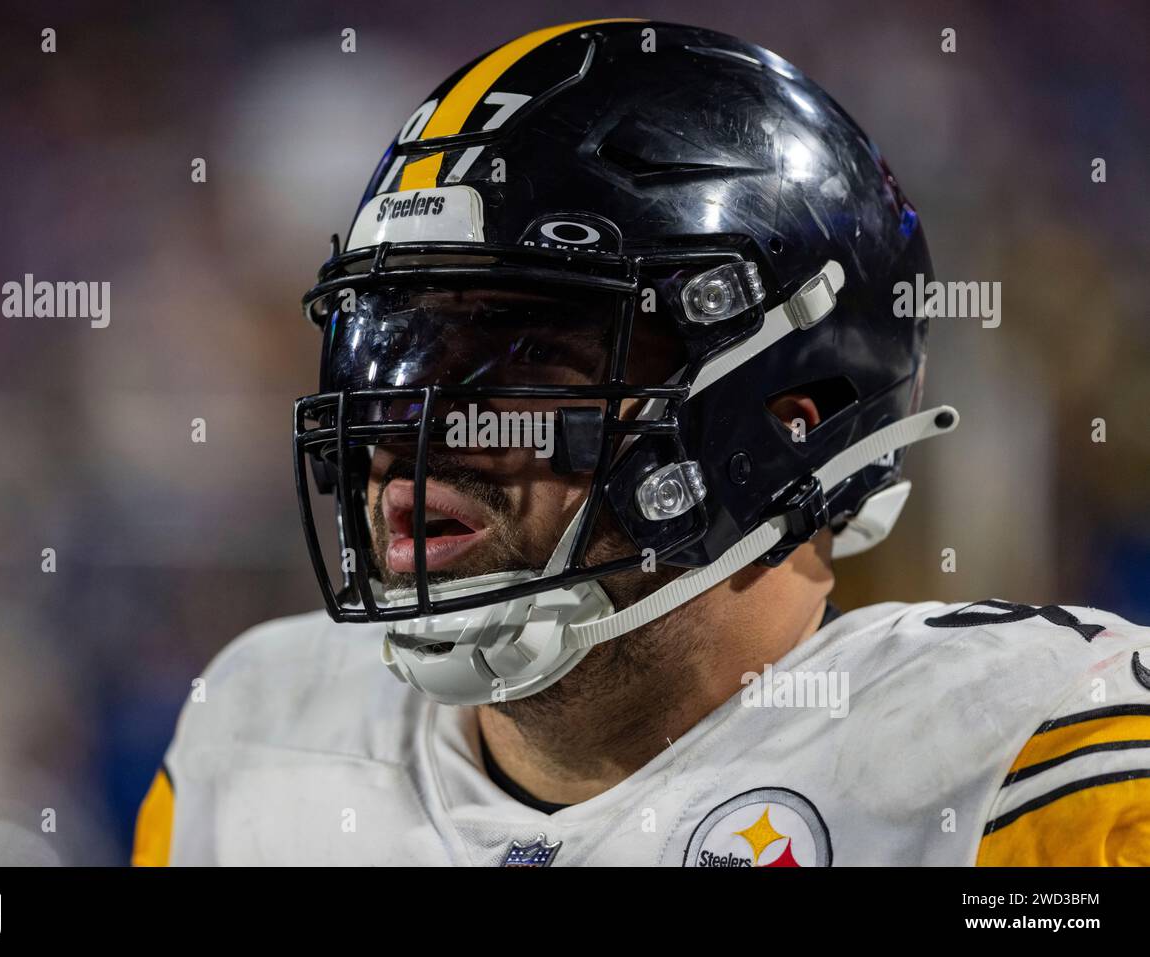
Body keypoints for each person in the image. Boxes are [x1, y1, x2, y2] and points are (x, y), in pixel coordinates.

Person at [133, 20, 1150, 866]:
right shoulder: (260, 734)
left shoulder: (1019, 769)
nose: (406, 431)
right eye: (393, 345)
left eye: (520, 355)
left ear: (784, 417)